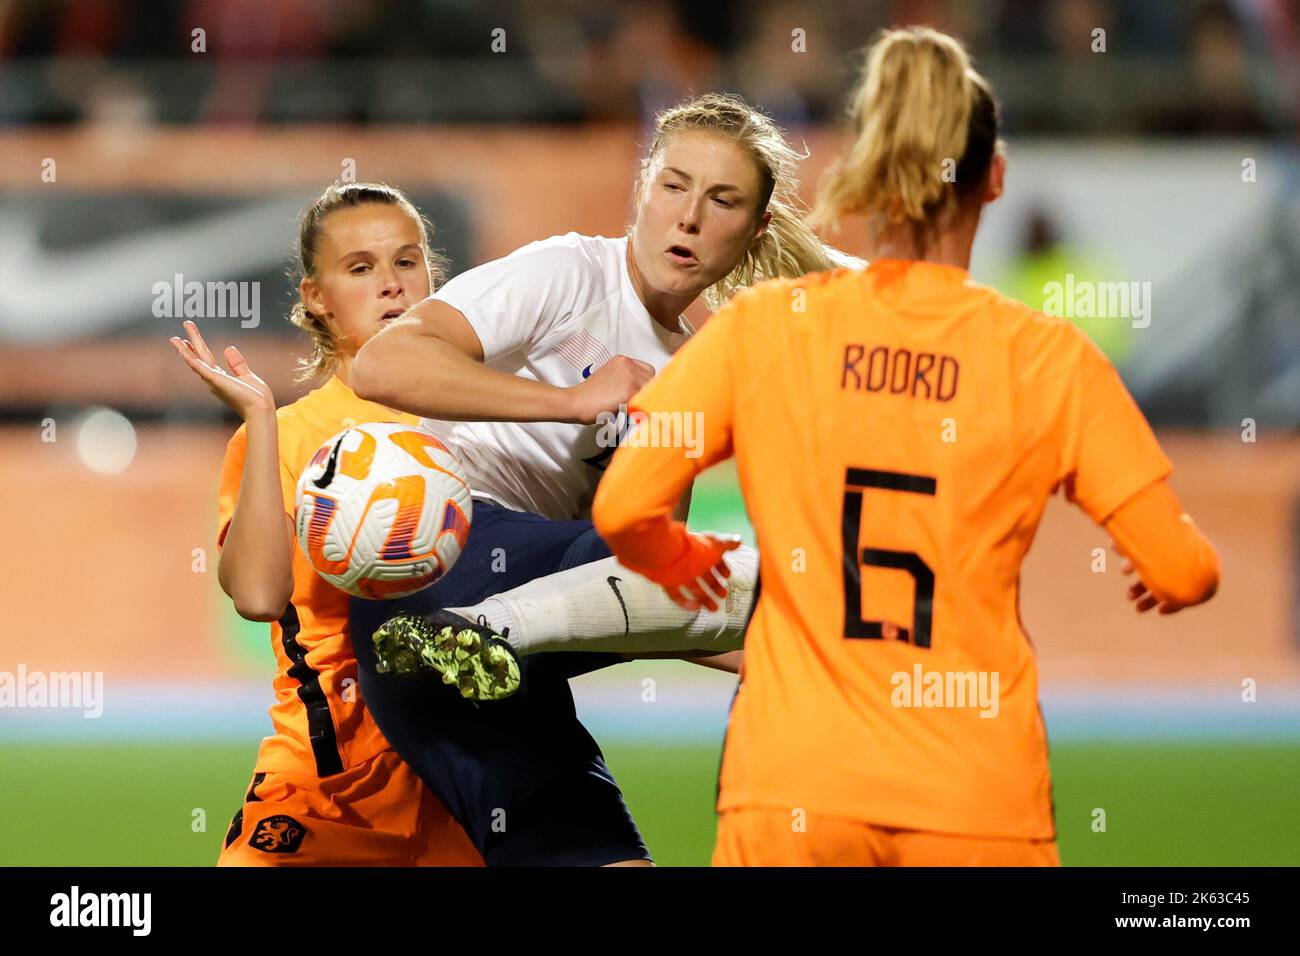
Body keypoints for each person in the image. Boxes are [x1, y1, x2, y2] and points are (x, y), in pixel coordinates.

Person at [592, 27, 1221, 867]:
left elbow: (624, 505)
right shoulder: (1046, 358)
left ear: (867, 170)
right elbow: (1184, 570)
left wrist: (674, 555)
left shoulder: (767, 328)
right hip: (974, 797)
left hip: (793, 784)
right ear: (994, 178)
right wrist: (1171, 576)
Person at [347, 93, 850, 865]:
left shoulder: (694, 371)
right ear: (641, 190)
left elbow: (644, 596)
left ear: (752, 234)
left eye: (721, 201)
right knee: (808, 596)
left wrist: (785, 656)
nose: (687, 217)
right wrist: (569, 400)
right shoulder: (567, 273)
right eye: (673, 185)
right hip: (443, 568)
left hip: (492, 665)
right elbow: (383, 363)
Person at [170, 182, 482, 866]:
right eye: (362, 268)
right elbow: (257, 597)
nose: (393, 286)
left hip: (464, 787)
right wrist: (255, 420)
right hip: (320, 788)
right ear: (317, 296)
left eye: (408, 261)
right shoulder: (285, 435)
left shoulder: (483, 420)